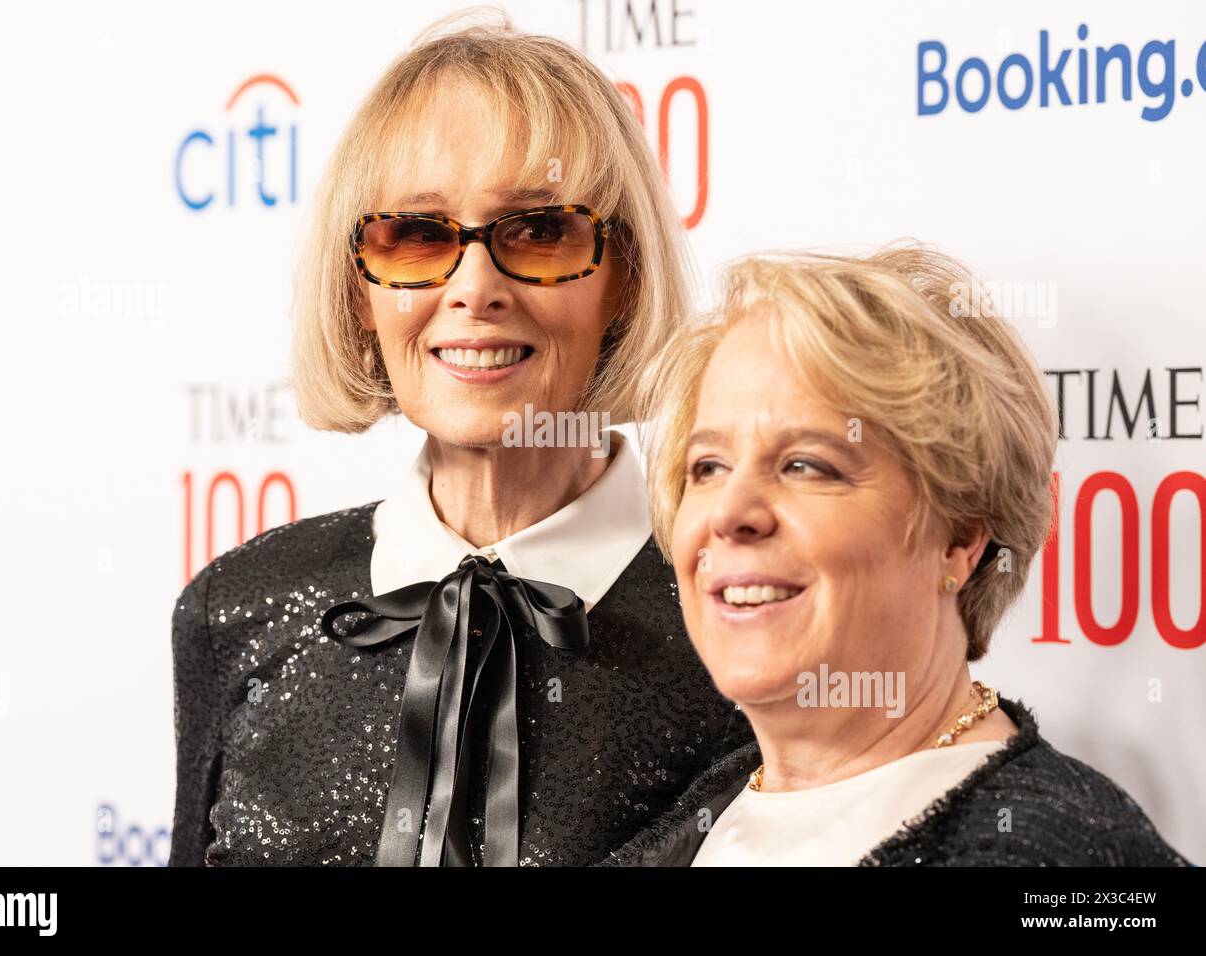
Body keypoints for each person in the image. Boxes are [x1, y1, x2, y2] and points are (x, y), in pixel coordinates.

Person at [168, 13, 750, 867]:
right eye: (416, 236)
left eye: (540, 231)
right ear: (359, 287)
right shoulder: (240, 606)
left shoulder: (747, 613)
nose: (475, 288)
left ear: (620, 276)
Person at [600, 245, 1190, 866]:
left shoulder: (1070, 857)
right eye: (708, 467)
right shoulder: (708, 803)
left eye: (806, 465)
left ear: (961, 535)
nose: (728, 513)